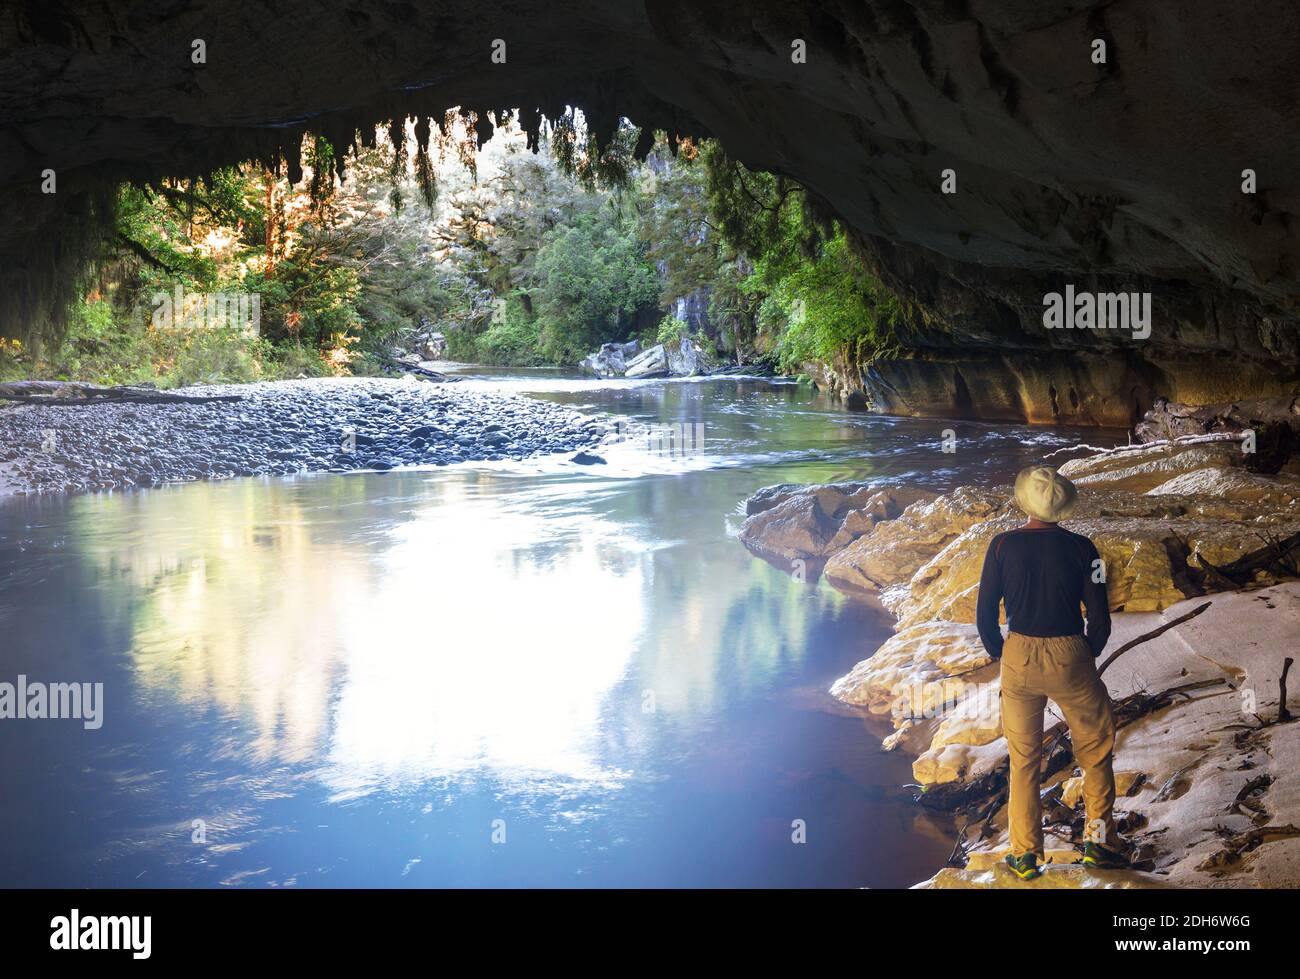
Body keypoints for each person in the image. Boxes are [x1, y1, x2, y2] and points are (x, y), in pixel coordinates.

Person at [976, 465, 1127, 880]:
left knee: (1024, 761)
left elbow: (985, 614)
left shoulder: (1001, 545)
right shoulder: (1084, 548)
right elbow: (1099, 616)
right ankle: (1099, 844)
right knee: (1095, 754)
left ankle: (1024, 856)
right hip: (1071, 654)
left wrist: (1002, 655)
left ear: (1024, 502)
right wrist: (1085, 655)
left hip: (1019, 655)